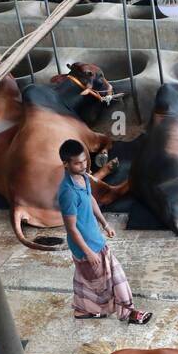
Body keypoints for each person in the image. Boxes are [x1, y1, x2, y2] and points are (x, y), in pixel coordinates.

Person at [57, 139, 153, 324]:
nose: (83, 165)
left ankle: (82, 310)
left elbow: (91, 199)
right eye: (77, 163)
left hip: (95, 239)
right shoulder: (67, 193)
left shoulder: (83, 177)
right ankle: (128, 312)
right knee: (112, 280)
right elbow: (71, 228)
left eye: (84, 160)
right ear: (65, 164)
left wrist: (105, 224)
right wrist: (88, 252)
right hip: (87, 246)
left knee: (89, 281)